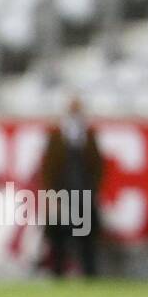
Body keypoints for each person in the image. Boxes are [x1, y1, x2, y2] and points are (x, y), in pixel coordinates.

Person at [39, 96, 103, 278]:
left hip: (84, 194)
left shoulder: (89, 136)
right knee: (58, 239)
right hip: (62, 196)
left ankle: (89, 275)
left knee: (87, 241)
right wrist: (52, 195)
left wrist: (93, 192)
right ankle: (57, 273)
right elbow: (48, 169)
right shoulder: (56, 137)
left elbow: (98, 167)